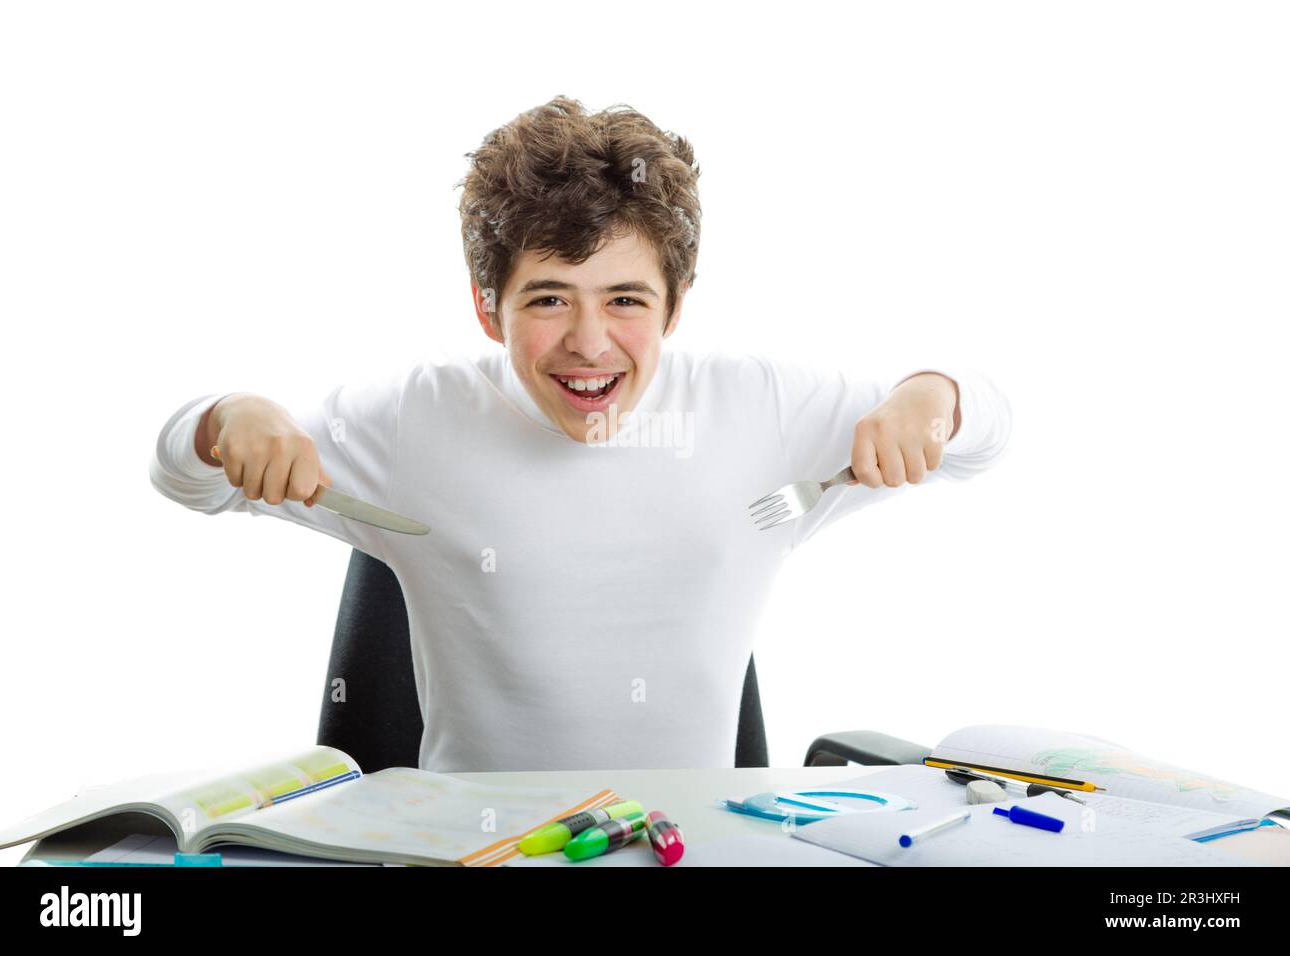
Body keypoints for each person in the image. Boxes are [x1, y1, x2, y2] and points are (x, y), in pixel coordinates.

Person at [149, 95, 1013, 772]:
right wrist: (228, 421)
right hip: (471, 851)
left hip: (690, 845)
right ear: (488, 309)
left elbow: (985, 430)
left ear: (676, 307)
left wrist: (932, 395)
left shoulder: (760, 410)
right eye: (550, 298)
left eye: (626, 300)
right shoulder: (415, 419)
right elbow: (186, 474)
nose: (590, 342)